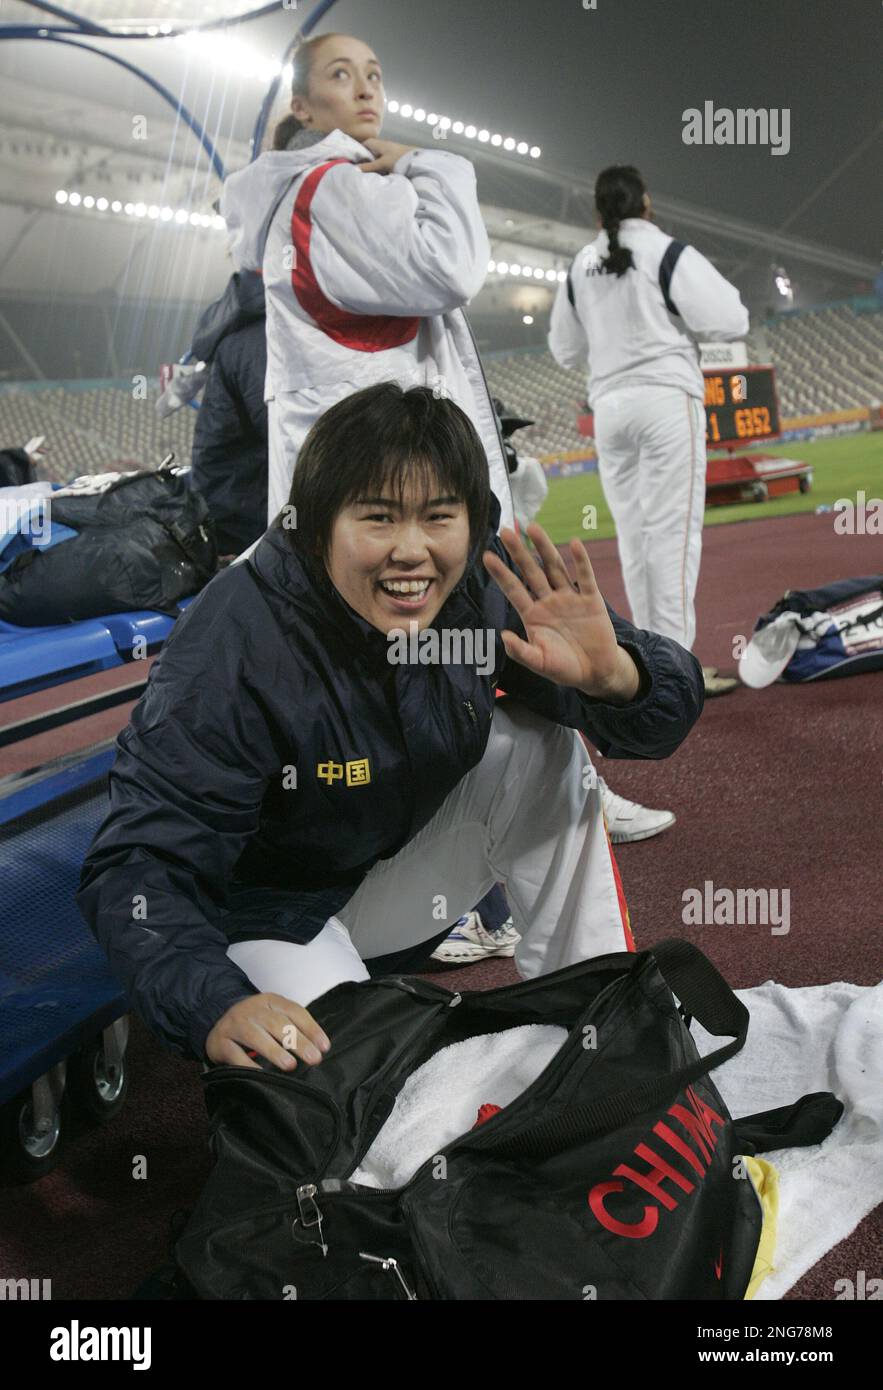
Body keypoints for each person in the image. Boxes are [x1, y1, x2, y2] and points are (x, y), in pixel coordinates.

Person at [76, 383, 704, 1071]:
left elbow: (658, 726)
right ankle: (345, 1020)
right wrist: (212, 1002)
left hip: (388, 878)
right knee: (373, 1106)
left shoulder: (479, 586)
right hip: (269, 916)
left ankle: (605, 1022)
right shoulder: (233, 642)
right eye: (378, 518)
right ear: (318, 526)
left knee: (538, 742)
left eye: (439, 516)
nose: (411, 551)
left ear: (473, 520)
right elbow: (137, 863)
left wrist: (618, 679)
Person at [219, 30, 514, 535]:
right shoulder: (334, 187)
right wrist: (425, 161)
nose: (365, 89)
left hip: (357, 478)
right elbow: (451, 268)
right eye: (340, 74)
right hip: (386, 479)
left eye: (373, 75)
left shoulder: (301, 190)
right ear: (303, 107)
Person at [548, 165, 749, 696]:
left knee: (635, 540)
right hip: (664, 399)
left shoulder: (579, 264)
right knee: (673, 535)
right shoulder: (666, 252)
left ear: (597, 213)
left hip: (610, 408)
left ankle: (650, 664)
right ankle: (677, 674)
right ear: (647, 204)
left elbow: (564, 349)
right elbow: (732, 318)